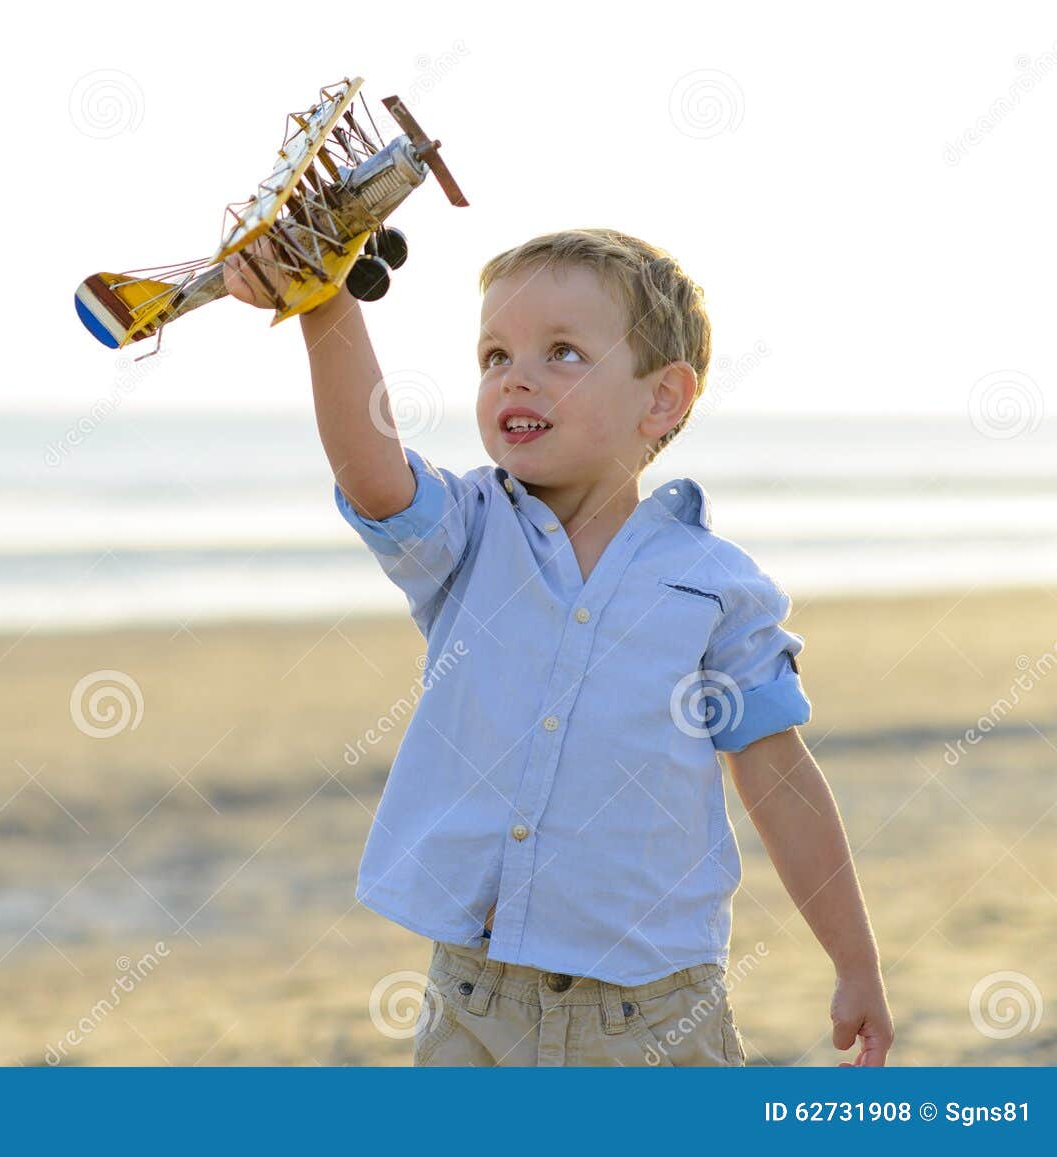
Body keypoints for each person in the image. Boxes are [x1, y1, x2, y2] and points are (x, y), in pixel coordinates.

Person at [223, 228, 895, 1066]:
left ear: (661, 400)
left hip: (654, 1013)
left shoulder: (715, 586)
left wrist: (854, 959)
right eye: (494, 354)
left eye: (564, 352)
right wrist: (328, 301)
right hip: (476, 997)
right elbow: (371, 469)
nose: (516, 374)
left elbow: (778, 772)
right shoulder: (468, 535)